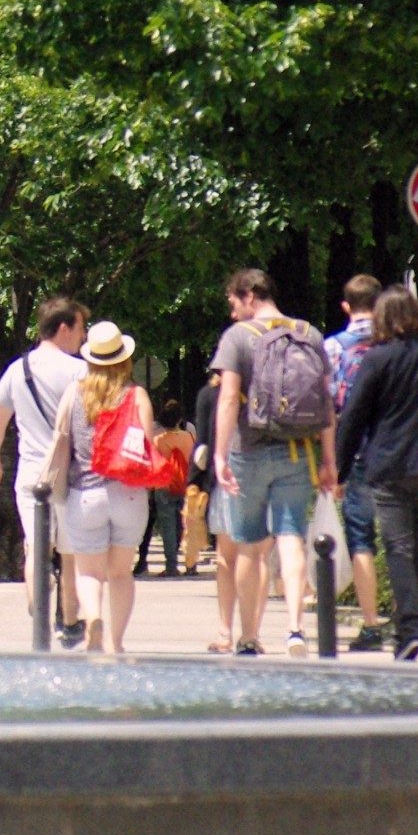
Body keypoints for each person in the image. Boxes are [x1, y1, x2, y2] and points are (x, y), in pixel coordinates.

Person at [213, 269, 338, 658]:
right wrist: (329, 459)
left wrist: (219, 454)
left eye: (234, 302)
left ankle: (249, 635)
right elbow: (326, 402)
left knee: (249, 545)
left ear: (249, 295)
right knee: (291, 538)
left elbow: (230, 399)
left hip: (248, 452)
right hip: (298, 451)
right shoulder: (309, 334)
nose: (233, 313)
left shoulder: (237, 338)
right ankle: (296, 628)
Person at [335, 287, 418, 661]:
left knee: (398, 547)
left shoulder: (377, 359)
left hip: (387, 464)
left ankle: (411, 629)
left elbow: (354, 416)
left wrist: (339, 467)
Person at [0, 297, 91, 645]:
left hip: (31, 473)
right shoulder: (80, 371)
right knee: (71, 552)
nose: (83, 336)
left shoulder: (18, 368)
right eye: (80, 328)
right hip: (71, 475)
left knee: (36, 548)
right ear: (63, 328)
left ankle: (38, 612)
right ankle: (71, 622)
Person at [48, 321, 158, 653]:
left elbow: (59, 438)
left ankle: (93, 617)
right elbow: (147, 445)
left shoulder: (74, 393)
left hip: (85, 494)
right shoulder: (137, 395)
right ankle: (116, 642)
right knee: (121, 573)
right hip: (128, 494)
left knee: (89, 573)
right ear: (124, 360)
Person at [326, 273, 391, 651]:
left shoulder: (333, 348)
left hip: (356, 454)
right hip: (399, 452)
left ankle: (370, 625)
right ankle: (413, 618)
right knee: (402, 539)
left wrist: (334, 463)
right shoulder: (396, 344)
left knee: (361, 540)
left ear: (346, 306)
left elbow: (329, 410)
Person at [189, 369, 245, 651]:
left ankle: (225, 632)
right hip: (264, 473)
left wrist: (194, 482)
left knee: (226, 558)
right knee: (255, 556)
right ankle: (252, 634)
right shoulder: (262, 388)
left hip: (224, 478)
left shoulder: (209, 394)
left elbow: (202, 447)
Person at [134, 398, 184, 577]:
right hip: (183, 484)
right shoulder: (189, 435)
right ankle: (184, 562)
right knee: (181, 524)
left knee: (163, 526)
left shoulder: (157, 437)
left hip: (161, 486)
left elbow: (150, 461)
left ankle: (164, 563)